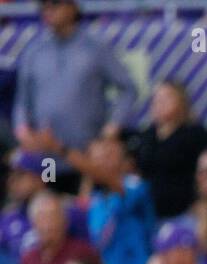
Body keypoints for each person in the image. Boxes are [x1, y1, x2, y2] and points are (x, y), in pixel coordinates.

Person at [12, 0, 139, 194]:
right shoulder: (34, 51)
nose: (48, 11)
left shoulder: (95, 48)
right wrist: (22, 129)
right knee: (49, 209)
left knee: (83, 212)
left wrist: (112, 127)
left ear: (73, 7)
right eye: (43, 6)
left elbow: (127, 88)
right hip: (46, 156)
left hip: (85, 155)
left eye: (54, 4)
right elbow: (23, 99)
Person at [78, 133, 155, 264]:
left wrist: (59, 149)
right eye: (96, 159)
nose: (101, 164)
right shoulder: (95, 202)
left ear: (123, 159)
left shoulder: (136, 186)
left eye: (108, 156)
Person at [131, 81, 207, 223]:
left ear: (182, 102)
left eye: (166, 98)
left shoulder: (196, 135)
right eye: (156, 99)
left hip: (185, 213)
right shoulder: (146, 136)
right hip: (150, 215)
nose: (160, 103)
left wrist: (203, 204)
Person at [21, 193, 97, 264]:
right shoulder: (28, 258)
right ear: (33, 224)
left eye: (53, 217)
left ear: (64, 221)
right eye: (42, 218)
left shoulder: (82, 251)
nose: (48, 225)